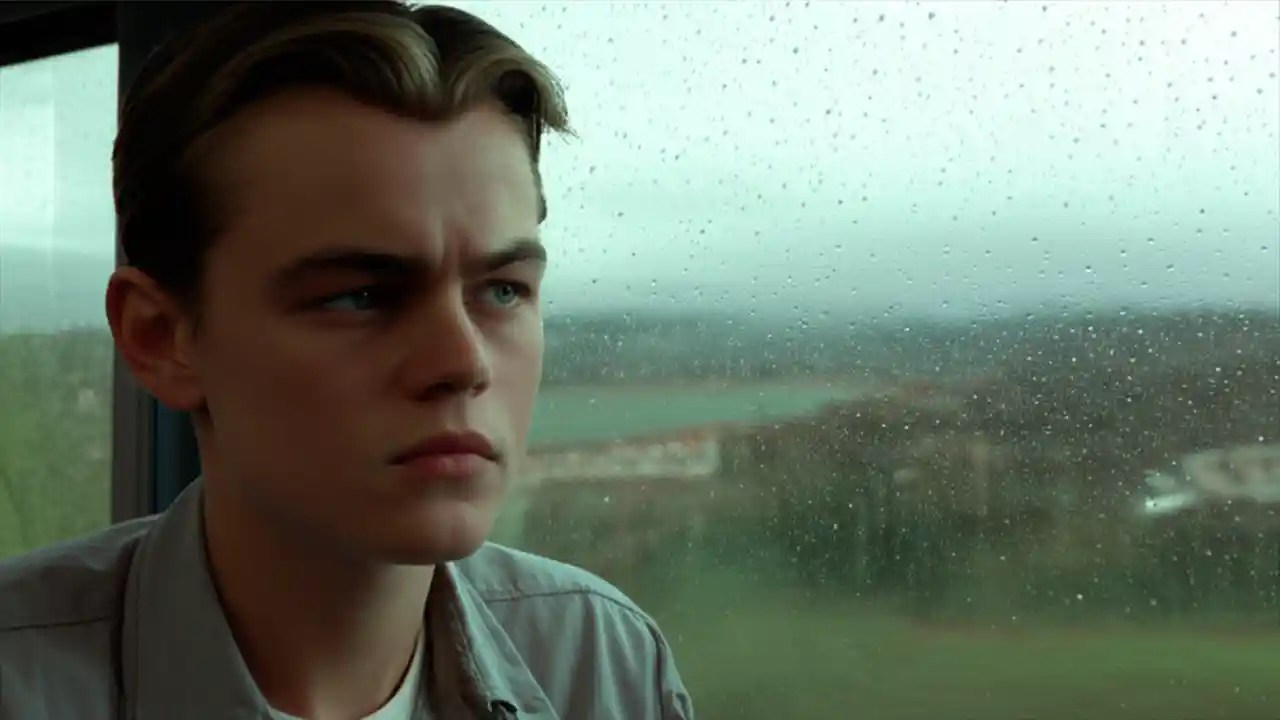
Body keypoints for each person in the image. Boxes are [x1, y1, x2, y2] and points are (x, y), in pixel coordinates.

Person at [0, 3, 695, 718]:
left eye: (502, 290)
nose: (462, 362)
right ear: (159, 338)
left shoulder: (602, 666)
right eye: (360, 296)